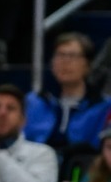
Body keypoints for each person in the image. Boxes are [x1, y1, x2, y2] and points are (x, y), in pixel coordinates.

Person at [29, 32, 111, 160]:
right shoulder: (34, 101)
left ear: (87, 65)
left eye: (73, 56)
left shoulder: (104, 107)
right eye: (60, 55)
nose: (65, 62)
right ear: (52, 63)